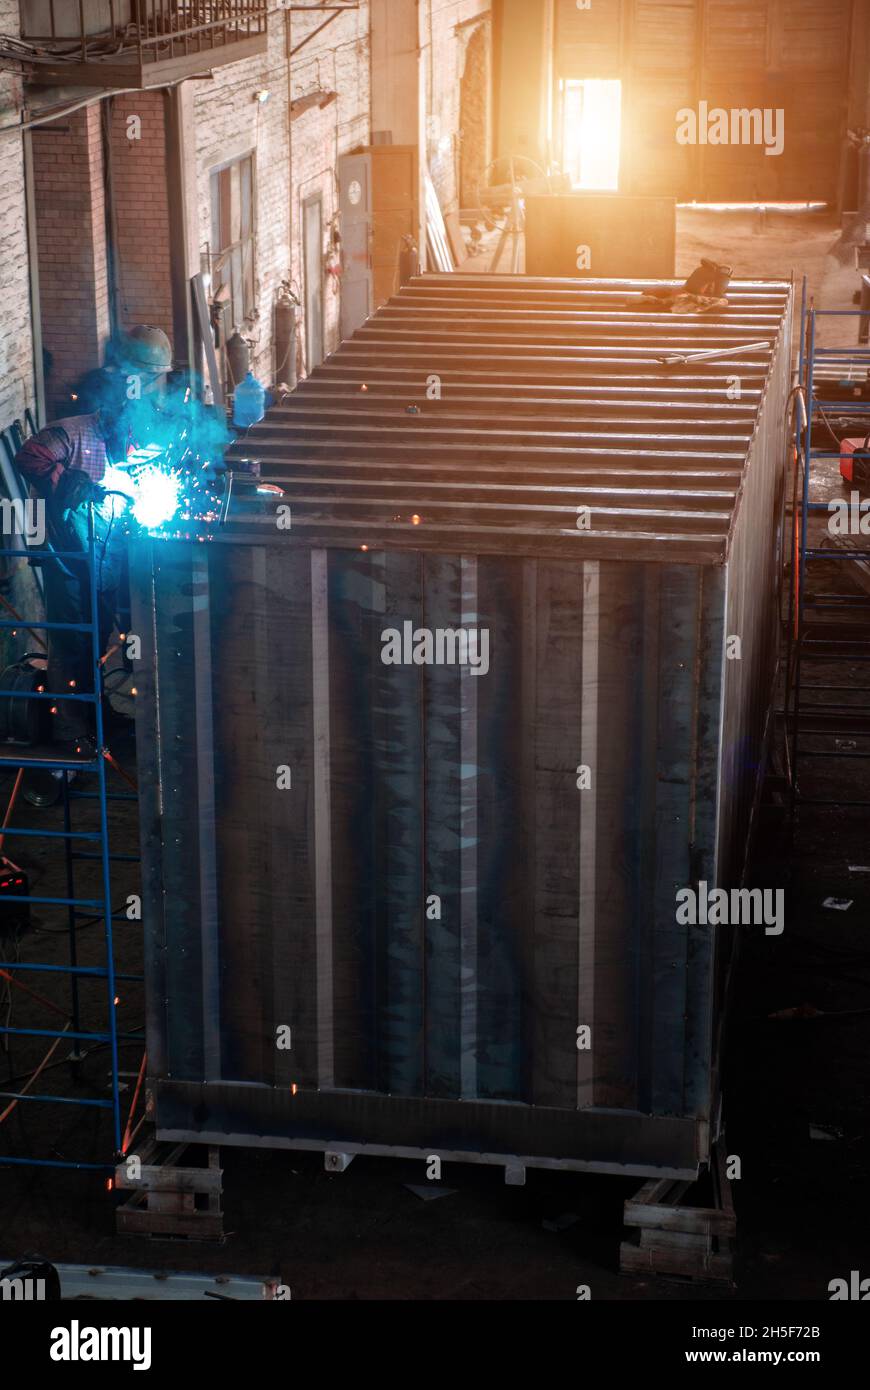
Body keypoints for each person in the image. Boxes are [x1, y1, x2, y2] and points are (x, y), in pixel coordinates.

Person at [14, 326, 173, 755]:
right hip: (65, 556)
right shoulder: (74, 432)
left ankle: (92, 709)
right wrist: (69, 482)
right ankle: (70, 730)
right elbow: (28, 455)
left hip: (101, 554)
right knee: (72, 638)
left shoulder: (135, 441)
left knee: (100, 634)